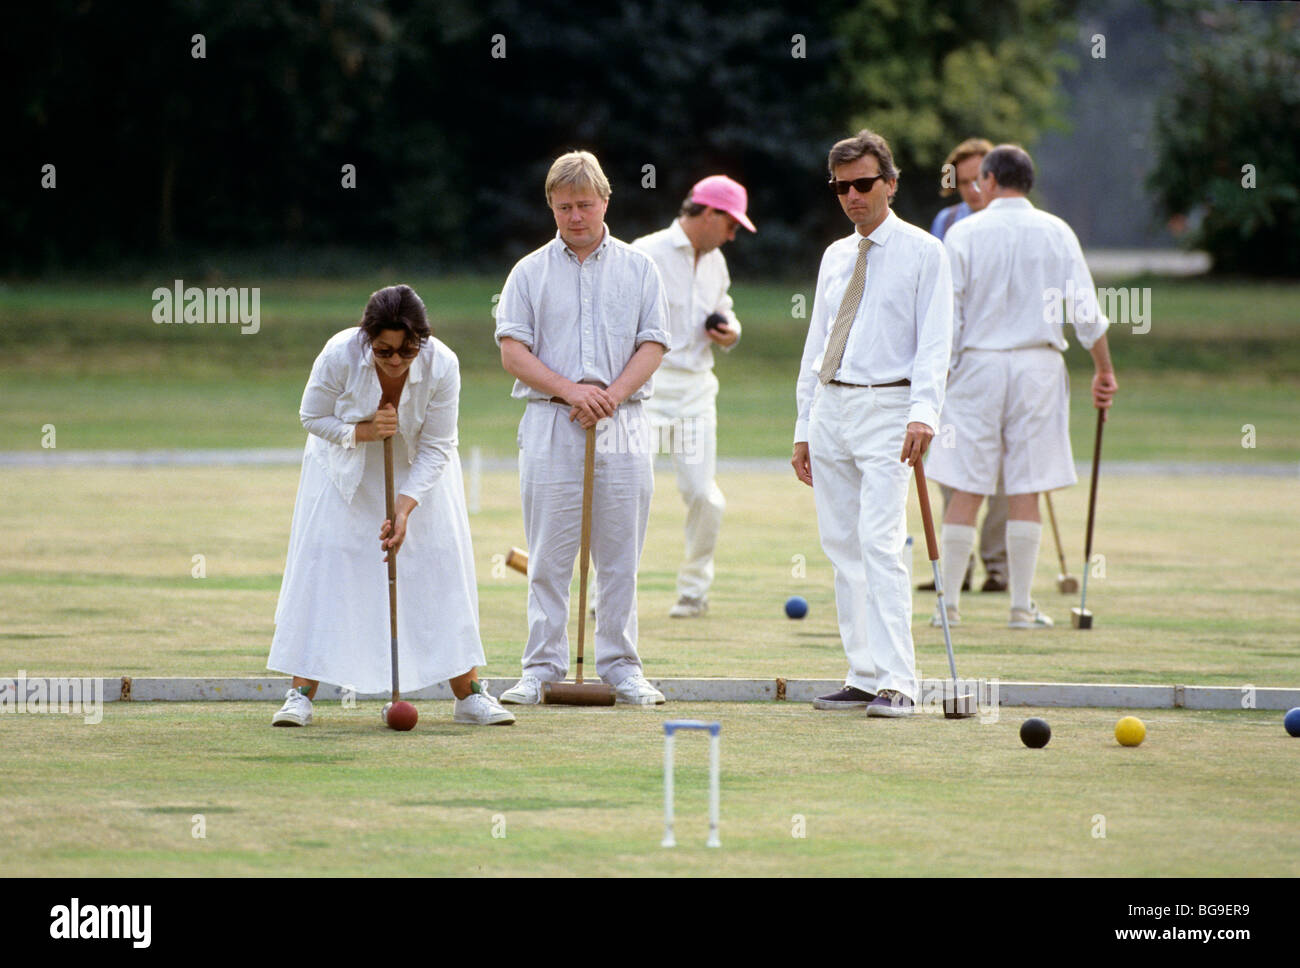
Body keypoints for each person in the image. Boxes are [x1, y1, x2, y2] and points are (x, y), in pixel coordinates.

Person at [268, 284, 515, 726]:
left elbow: (438, 445)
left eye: (407, 350)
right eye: (384, 351)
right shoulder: (340, 354)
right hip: (343, 467)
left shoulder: (443, 364)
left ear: (422, 340)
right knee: (328, 564)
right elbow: (312, 416)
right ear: (367, 339)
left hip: (421, 471)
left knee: (439, 564)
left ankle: (469, 694)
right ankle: (300, 694)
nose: (397, 360)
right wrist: (362, 431)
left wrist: (403, 509)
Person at [494, 150, 672, 706]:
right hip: (552, 419)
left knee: (620, 556)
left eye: (585, 205)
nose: (575, 216)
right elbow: (513, 351)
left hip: (623, 421)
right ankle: (541, 668)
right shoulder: (528, 272)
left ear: (605, 202)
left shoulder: (640, 268)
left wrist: (608, 396)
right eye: (565, 206)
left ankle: (621, 667)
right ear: (551, 205)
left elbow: (653, 344)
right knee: (548, 555)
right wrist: (572, 391)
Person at [792, 130, 953, 717]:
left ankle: (898, 680)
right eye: (841, 188)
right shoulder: (836, 256)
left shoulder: (925, 252)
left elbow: (936, 341)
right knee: (841, 545)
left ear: (890, 183)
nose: (852, 196)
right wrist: (803, 423)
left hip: (890, 407)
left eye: (863, 184)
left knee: (880, 542)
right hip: (831, 406)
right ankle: (862, 674)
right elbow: (818, 341)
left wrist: (924, 413)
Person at [926, 144, 1118, 629]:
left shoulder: (963, 233)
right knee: (1026, 486)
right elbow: (1086, 313)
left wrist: (938, 377)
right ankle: (1019, 607)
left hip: (977, 366)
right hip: (1038, 367)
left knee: (965, 485)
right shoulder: (1057, 231)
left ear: (990, 180)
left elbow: (948, 315)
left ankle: (949, 606)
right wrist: (1104, 370)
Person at [631, 175, 755, 618]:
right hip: (645, 390)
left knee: (704, 495)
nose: (733, 235)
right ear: (708, 213)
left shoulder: (716, 262)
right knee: (628, 493)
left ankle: (694, 592)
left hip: (696, 392)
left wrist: (731, 331)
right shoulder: (645, 253)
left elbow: (724, 309)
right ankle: (612, 592)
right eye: (731, 224)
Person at [922, 137, 1010, 597]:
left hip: (1001, 357)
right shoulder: (946, 223)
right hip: (953, 361)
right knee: (949, 460)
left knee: (1002, 468)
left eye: (979, 179)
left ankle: (999, 565)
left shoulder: (1015, 224)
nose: (972, 190)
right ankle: (959, 566)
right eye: (962, 182)